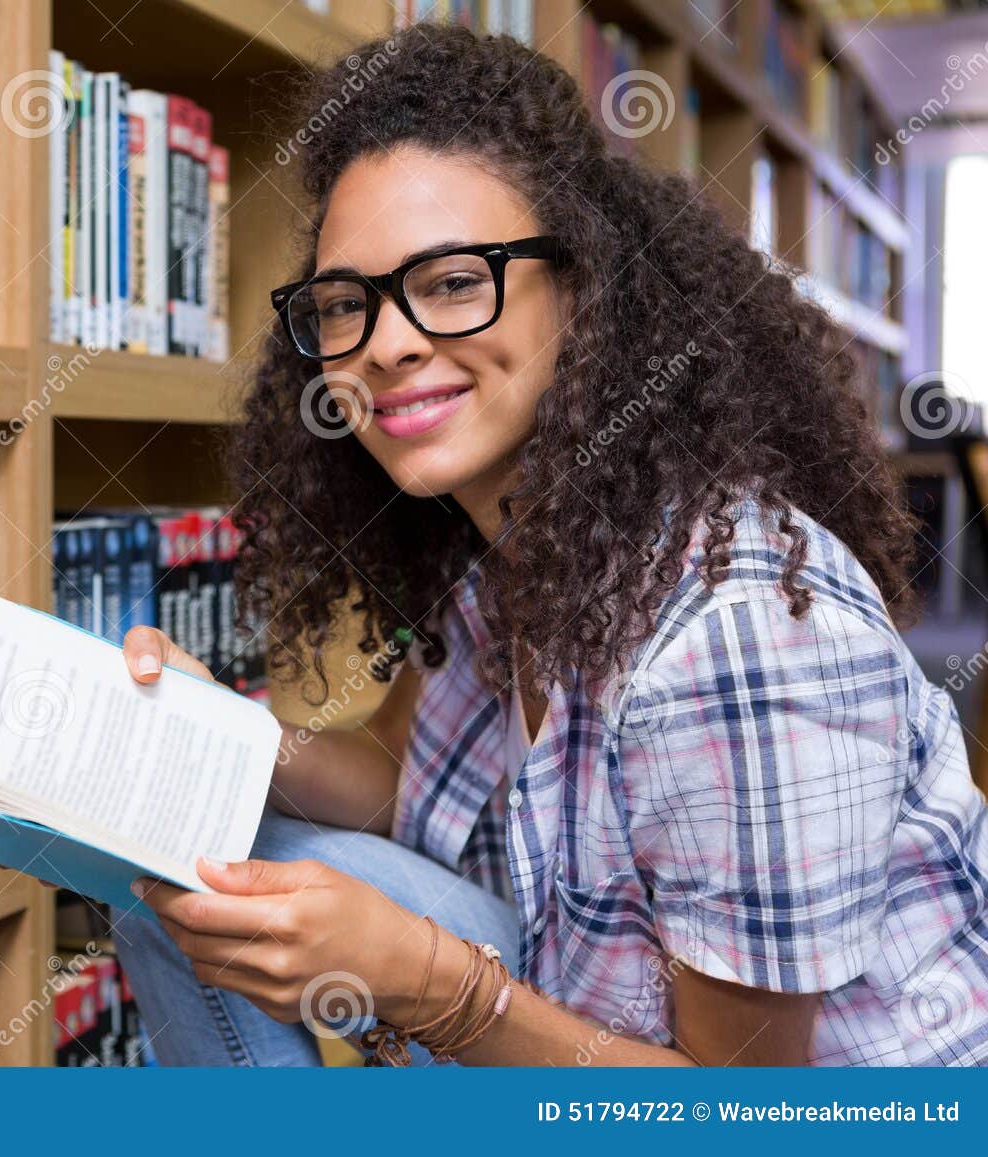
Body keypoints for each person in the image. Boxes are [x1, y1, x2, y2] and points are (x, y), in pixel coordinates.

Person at [109, 24, 988, 1067]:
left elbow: (756, 1116)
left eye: (449, 281)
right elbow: (402, 777)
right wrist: (219, 737)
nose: (386, 343)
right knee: (183, 884)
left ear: (579, 289)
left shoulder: (737, 634)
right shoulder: (522, 550)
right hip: (589, 1023)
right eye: (345, 303)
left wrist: (424, 981)